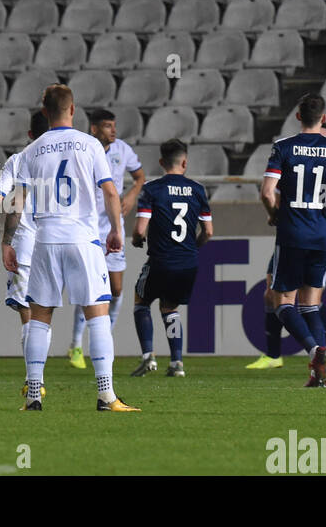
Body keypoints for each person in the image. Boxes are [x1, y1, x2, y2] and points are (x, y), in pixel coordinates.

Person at [11, 84, 138, 411]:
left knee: (39, 317)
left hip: (45, 239)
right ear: (73, 109)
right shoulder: (90, 144)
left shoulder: (32, 150)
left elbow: (18, 201)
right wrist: (115, 230)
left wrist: (9, 242)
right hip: (83, 238)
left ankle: (34, 394)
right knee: (97, 314)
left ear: (44, 112)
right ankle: (106, 395)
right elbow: (110, 193)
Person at [260, 94, 326, 387]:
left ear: (297, 116)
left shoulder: (282, 148)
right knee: (311, 304)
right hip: (322, 236)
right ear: (323, 118)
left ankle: (314, 350)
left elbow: (267, 192)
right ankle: (319, 372)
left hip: (292, 233)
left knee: (283, 301)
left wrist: (274, 215)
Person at [247, 121, 326, 370]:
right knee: (271, 293)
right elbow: (278, 196)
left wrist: (314, 216)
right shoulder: (295, 162)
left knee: (310, 300)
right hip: (292, 234)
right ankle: (275, 356)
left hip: (318, 236)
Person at [0, 110, 50, 398]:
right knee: (46, 313)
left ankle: (35, 381)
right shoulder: (70, 155)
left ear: (29, 134)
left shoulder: (18, 160)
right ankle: (104, 388)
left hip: (24, 245)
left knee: (27, 314)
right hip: (58, 243)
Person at [67, 109, 144, 369]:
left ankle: (103, 336)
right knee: (89, 287)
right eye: (108, 126)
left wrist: (132, 195)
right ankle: (77, 345)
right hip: (88, 228)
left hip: (113, 226)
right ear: (94, 129)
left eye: (114, 125)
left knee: (116, 289)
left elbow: (140, 176)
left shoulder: (122, 149)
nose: (113, 130)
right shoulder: (84, 149)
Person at [128, 139, 212, 377]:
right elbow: (208, 232)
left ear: (161, 162)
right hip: (187, 263)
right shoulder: (198, 190)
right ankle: (177, 363)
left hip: (160, 260)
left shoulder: (152, 190)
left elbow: (139, 229)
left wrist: (136, 240)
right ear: (184, 162)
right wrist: (192, 249)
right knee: (170, 307)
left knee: (141, 301)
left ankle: (148, 357)